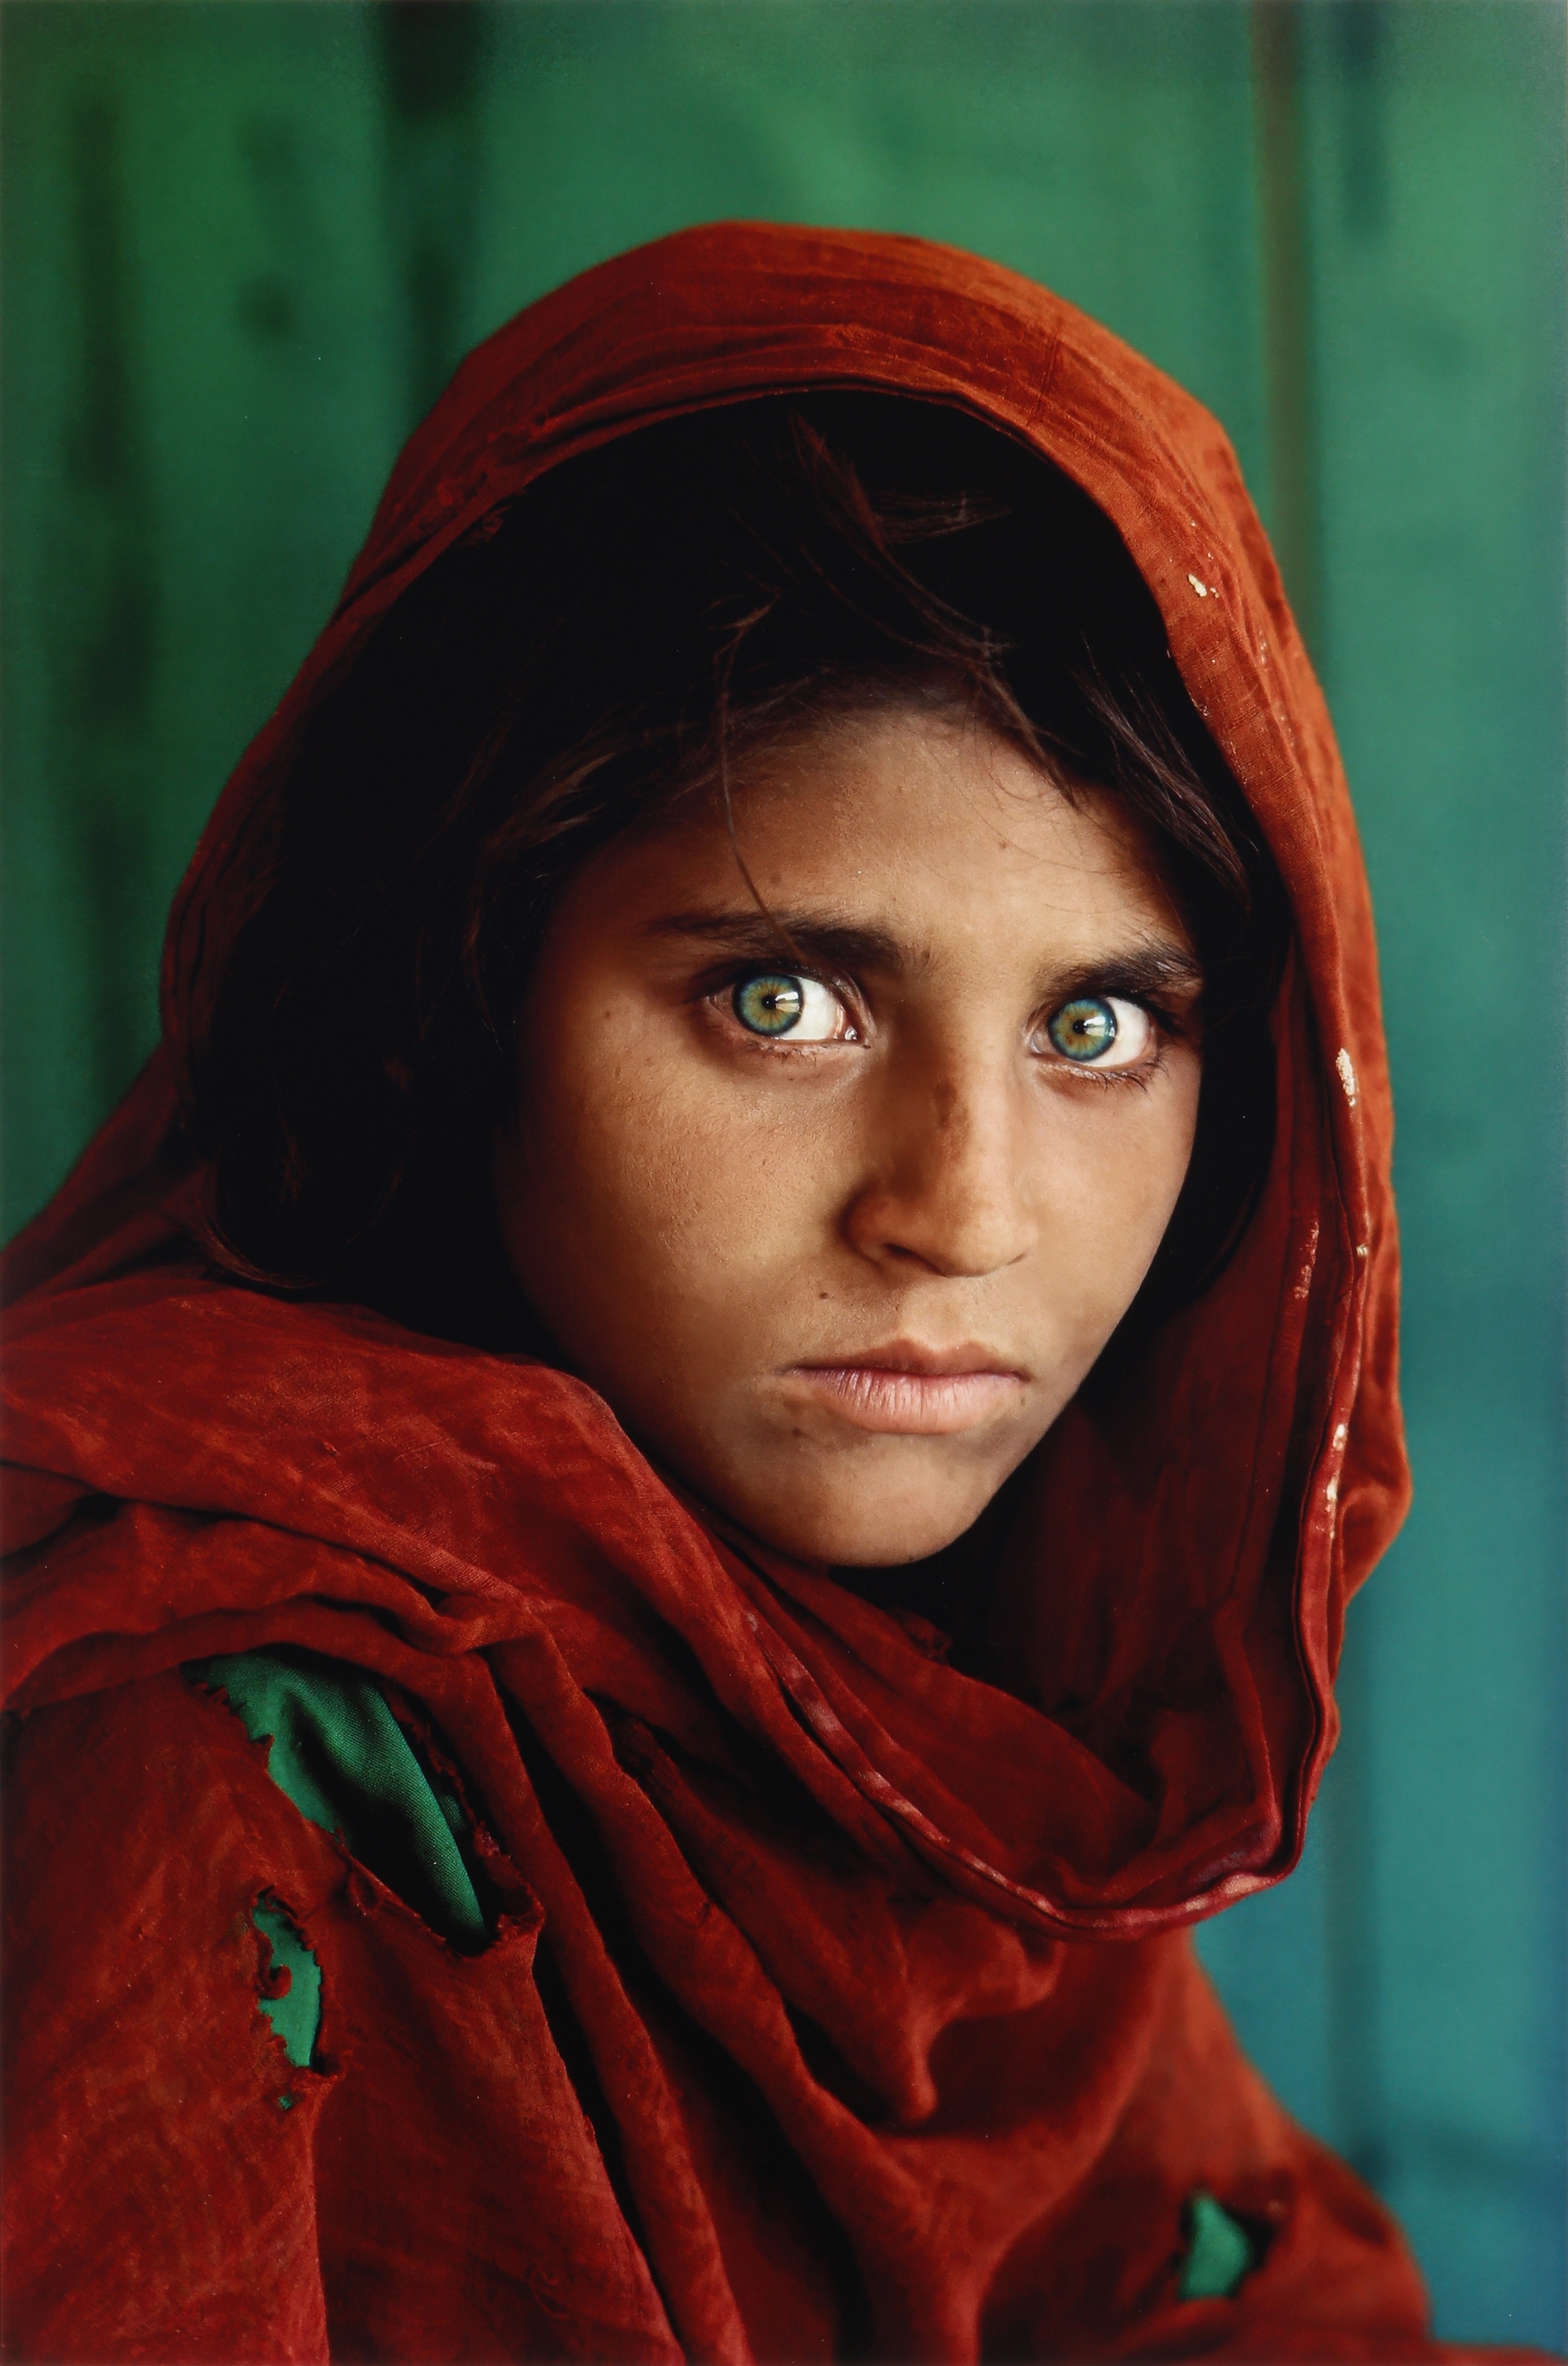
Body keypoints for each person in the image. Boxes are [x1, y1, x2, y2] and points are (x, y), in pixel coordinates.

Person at [0, 224, 1543, 2365]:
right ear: (460, 995)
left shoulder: (945, 1738)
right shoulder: (204, 1734)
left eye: (1099, 1028)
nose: (964, 1211)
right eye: (783, 995)